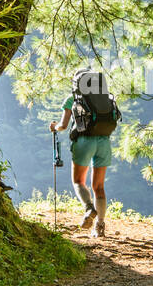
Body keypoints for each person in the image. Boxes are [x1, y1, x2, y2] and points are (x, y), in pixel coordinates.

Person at [49, 70, 118, 238]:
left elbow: (63, 126)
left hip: (84, 141)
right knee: (99, 187)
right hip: (104, 142)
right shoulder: (106, 98)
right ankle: (100, 226)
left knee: (79, 181)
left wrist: (54, 127)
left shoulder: (73, 99)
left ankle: (89, 208)